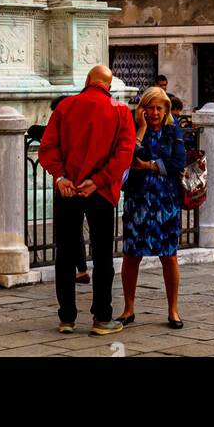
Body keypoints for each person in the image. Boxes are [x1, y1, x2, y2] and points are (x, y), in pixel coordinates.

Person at [38, 65, 136, 335]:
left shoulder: (65, 107)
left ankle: (67, 318)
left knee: (66, 254)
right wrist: (99, 180)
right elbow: (124, 154)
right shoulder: (120, 110)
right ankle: (102, 318)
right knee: (103, 255)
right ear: (109, 85)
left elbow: (47, 148)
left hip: (67, 190)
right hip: (100, 192)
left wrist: (61, 177)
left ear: (87, 81)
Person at [120, 86, 187, 329]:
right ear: (143, 109)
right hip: (138, 200)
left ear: (166, 109)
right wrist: (141, 129)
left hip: (166, 201)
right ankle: (128, 308)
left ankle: (173, 310)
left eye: (159, 107)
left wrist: (148, 165)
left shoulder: (173, 131)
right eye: (150, 107)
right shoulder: (136, 129)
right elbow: (128, 157)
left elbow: (178, 162)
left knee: (169, 256)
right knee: (131, 255)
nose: (155, 112)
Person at [31, 96, 90, 286]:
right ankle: (81, 269)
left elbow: (36, 131)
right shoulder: (79, 125)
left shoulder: (63, 127)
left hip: (68, 186)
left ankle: (77, 272)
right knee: (77, 229)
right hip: (86, 185)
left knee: (68, 232)